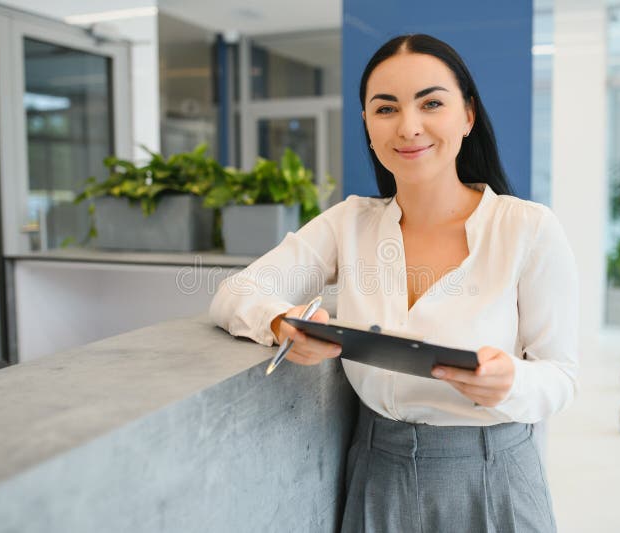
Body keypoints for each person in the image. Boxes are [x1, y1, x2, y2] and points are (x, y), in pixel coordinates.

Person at [210, 33, 578, 533]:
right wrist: (281, 322)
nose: (409, 127)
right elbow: (236, 292)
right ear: (367, 124)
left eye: (431, 103)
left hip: (494, 481)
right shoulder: (349, 224)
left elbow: (561, 377)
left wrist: (510, 381)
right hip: (378, 474)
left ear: (467, 115)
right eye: (386, 109)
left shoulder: (527, 228)